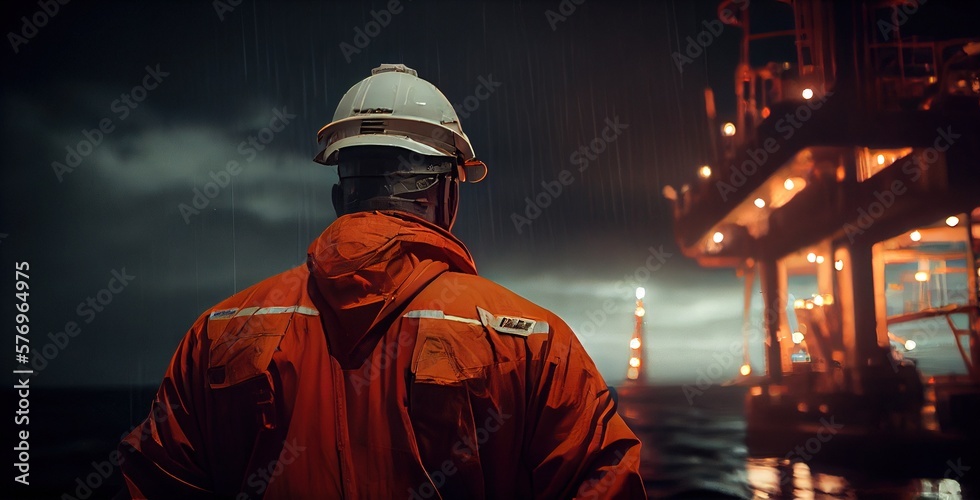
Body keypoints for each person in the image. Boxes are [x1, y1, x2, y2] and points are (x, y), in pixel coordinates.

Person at [119, 63, 645, 499]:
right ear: (448, 197)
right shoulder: (532, 340)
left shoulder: (218, 332)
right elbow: (604, 484)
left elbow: (153, 483)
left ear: (337, 196)